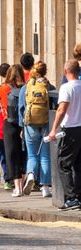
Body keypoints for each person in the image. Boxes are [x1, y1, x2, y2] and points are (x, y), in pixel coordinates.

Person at [43, 59, 81, 210]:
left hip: (70, 129)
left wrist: (53, 129)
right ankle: (78, 195)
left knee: (63, 164)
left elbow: (61, 110)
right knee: (78, 164)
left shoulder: (67, 88)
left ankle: (71, 198)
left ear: (66, 71)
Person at [20, 60, 54, 198]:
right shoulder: (49, 87)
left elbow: (21, 108)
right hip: (46, 124)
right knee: (45, 157)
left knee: (32, 155)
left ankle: (31, 174)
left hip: (30, 125)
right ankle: (45, 187)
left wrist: (22, 126)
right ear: (45, 71)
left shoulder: (26, 87)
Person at [2, 62, 26, 192]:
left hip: (9, 124)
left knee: (11, 155)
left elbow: (3, 107)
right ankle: (24, 182)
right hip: (24, 124)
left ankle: (17, 187)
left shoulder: (4, 88)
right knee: (23, 153)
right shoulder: (25, 88)